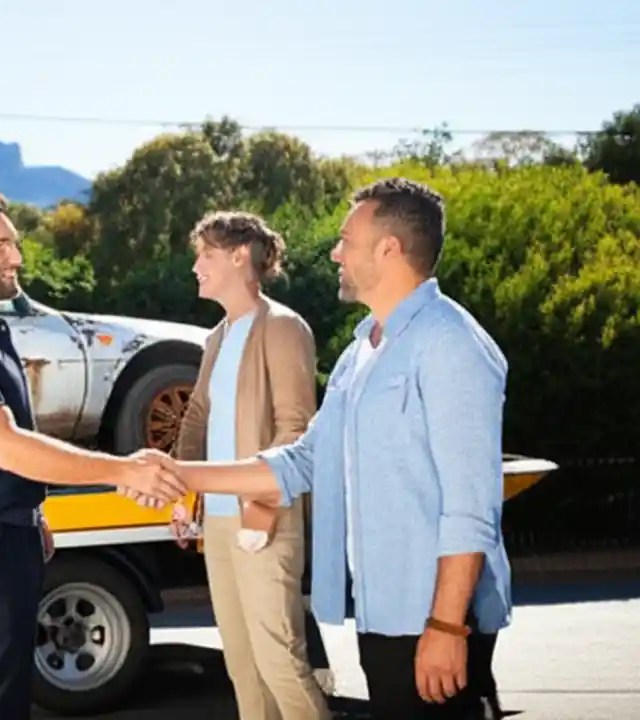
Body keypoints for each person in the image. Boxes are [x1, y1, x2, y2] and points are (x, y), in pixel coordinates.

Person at [126, 178, 509, 719]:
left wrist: (447, 625)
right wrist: (179, 476)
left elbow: (471, 508)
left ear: (389, 249)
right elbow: (302, 460)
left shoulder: (449, 344)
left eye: (346, 240)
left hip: (435, 618)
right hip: (383, 614)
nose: (335, 251)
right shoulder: (362, 352)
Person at [0, 190, 186, 720]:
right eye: (0, 246)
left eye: (14, 244)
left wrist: (32, 514)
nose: (15, 257)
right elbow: (6, 445)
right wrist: (121, 469)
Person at [169, 211, 332, 720]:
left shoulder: (282, 327)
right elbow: (197, 417)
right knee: (242, 667)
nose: (196, 266)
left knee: (280, 661)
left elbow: (295, 429)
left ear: (241, 256)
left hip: (264, 520)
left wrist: (260, 510)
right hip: (218, 524)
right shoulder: (218, 335)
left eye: (206, 255)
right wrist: (181, 494)